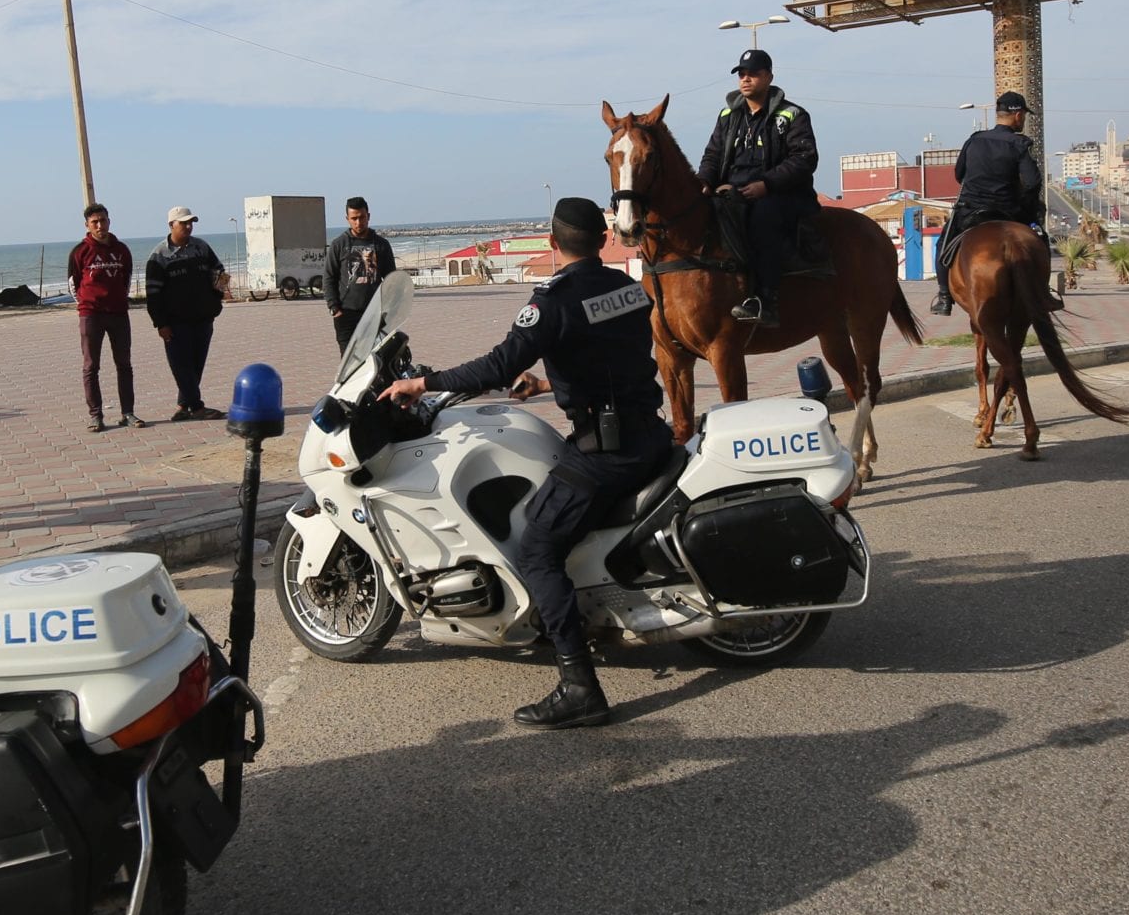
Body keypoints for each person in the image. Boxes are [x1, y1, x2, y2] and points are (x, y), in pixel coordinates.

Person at [383, 197, 670, 731]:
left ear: (551, 241)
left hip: (607, 453)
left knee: (537, 547)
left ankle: (580, 686)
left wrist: (422, 383)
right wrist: (547, 383)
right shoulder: (628, 289)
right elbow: (608, 356)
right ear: (603, 240)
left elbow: (498, 363)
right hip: (649, 431)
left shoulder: (553, 301)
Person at [696, 47, 819, 323]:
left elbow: (804, 159)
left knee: (762, 217)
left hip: (779, 193)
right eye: (741, 74)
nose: (745, 79)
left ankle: (765, 300)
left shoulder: (792, 115)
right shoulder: (727, 116)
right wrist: (704, 181)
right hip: (732, 192)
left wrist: (766, 184)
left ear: (769, 77)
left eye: (753, 74)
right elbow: (713, 155)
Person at [930, 90, 1045, 316]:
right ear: (1018, 115)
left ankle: (944, 297)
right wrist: (1025, 208)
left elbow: (959, 174)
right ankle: (1043, 292)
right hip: (1007, 211)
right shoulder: (1019, 144)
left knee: (943, 245)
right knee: (1040, 240)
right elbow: (1033, 182)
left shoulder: (973, 140)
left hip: (970, 211)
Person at [144, 205, 228, 421]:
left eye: (191, 223)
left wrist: (216, 301)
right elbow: (153, 294)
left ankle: (184, 405)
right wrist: (160, 324)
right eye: (184, 223)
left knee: (196, 364)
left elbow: (220, 272)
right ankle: (197, 407)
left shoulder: (201, 248)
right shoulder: (159, 256)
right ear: (171, 225)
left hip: (203, 318)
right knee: (181, 366)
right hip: (175, 323)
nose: (189, 227)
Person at [68, 203, 145, 432]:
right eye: (95, 222)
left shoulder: (121, 250)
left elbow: (126, 279)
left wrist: (118, 300)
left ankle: (128, 413)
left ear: (109, 221)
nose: (100, 225)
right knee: (91, 366)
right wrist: (87, 304)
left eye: (103, 220)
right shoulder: (79, 252)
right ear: (87, 225)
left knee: (124, 364)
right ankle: (96, 415)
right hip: (91, 315)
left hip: (119, 314)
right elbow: (73, 285)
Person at [323, 197, 397, 353]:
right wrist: (334, 309)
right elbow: (329, 278)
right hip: (346, 316)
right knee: (350, 368)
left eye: (361, 217)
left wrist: (388, 309)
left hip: (374, 314)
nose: (358, 222)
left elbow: (391, 280)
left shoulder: (381, 245)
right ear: (347, 219)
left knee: (377, 360)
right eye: (354, 218)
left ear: (368, 216)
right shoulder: (338, 245)